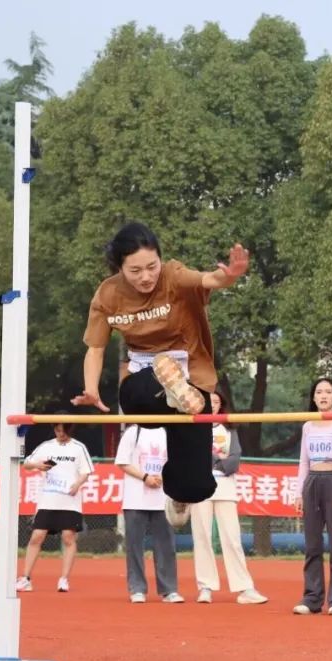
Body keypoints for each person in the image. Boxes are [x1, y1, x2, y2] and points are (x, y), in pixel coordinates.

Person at [73, 221, 249, 520]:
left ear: (160, 260)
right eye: (136, 271)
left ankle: (178, 491)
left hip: (192, 380)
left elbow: (208, 280)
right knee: (136, 398)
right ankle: (165, 382)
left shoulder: (173, 275)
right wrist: (91, 388)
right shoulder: (108, 294)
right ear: (119, 268)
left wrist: (229, 275)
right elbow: (96, 348)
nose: (146, 277)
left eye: (152, 267)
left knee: (195, 487)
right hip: (144, 381)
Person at [190, 392, 268, 605]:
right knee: (202, 537)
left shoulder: (229, 429)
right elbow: (195, 455)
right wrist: (218, 459)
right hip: (199, 486)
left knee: (232, 539)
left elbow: (233, 463)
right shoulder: (193, 427)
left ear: (221, 406)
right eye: (208, 402)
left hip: (226, 488)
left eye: (216, 403)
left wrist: (213, 460)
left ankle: (245, 588)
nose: (212, 406)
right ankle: (205, 587)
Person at [293, 378, 332, 616]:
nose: (324, 395)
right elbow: (304, 462)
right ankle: (312, 598)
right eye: (319, 392)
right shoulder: (308, 426)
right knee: (312, 544)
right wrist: (299, 492)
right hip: (312, 482)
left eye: (328, 391)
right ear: (313, 397)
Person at [16, 423, 94, 592]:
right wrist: (38, 465)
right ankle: (25, 578)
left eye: (64, 430)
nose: (60, 433)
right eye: (57, 430)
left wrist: (77, 484)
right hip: (48, 499)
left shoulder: (78, 448)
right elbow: (27, 464)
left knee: (68, 537)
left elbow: (86, 471)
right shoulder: (46, 446)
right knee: (37, 536)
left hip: (69, 500)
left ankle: (64, 579)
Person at [115, 423, 183, 603]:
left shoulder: (168, 431)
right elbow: (122, 462)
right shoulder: (133, 431)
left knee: (166, 546)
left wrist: (165, 476)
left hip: (163, 499)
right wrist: (145, 477)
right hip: (135, 499)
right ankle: (137, 589)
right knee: (134, 546)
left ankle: (169, 590)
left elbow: (177, 461)